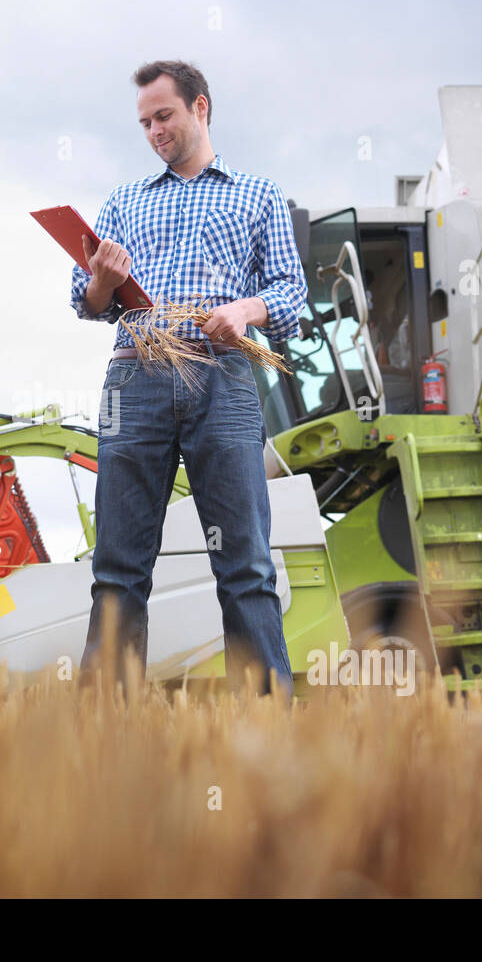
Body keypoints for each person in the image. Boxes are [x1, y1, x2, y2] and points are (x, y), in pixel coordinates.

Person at [69, 59, 308, 701]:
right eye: (145, 122)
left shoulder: (257, 195)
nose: (153, 131)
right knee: (118, 566)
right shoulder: (123, 202)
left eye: (164, 115)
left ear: (201, 107)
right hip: (135, 381)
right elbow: (86, 303)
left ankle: (264, 731)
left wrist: (245, 310)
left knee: (245, 565)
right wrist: (104, 280)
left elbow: (290, 292)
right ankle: (103, 737)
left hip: (222, 377)